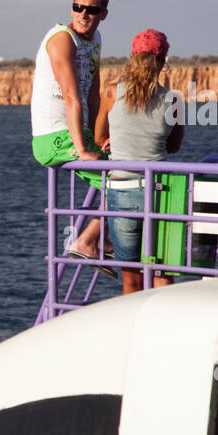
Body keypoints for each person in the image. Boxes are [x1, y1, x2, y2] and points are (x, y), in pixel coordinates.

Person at [30, 0, 115, 275]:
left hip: (75, 133)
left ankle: (103, 237)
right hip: (54, 137)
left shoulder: (95, 40)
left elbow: (92, 92)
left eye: (92, 10)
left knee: (124, 172)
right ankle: (88, 242)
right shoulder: (62, 38)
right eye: (78, 7)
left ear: (104, 13)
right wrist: (81, 149)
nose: (83, 14)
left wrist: (98, 137)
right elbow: (70, 95)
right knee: (126, 179)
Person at [93, 29, 183, 294]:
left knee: (131, 276)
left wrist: (115, 142)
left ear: (132, 57)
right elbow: (174, 146)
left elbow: (99, 137)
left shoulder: (111, 93)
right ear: (163, 60)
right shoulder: (173, 99)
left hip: (123, 190)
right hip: (161, 191)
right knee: (161, 270)